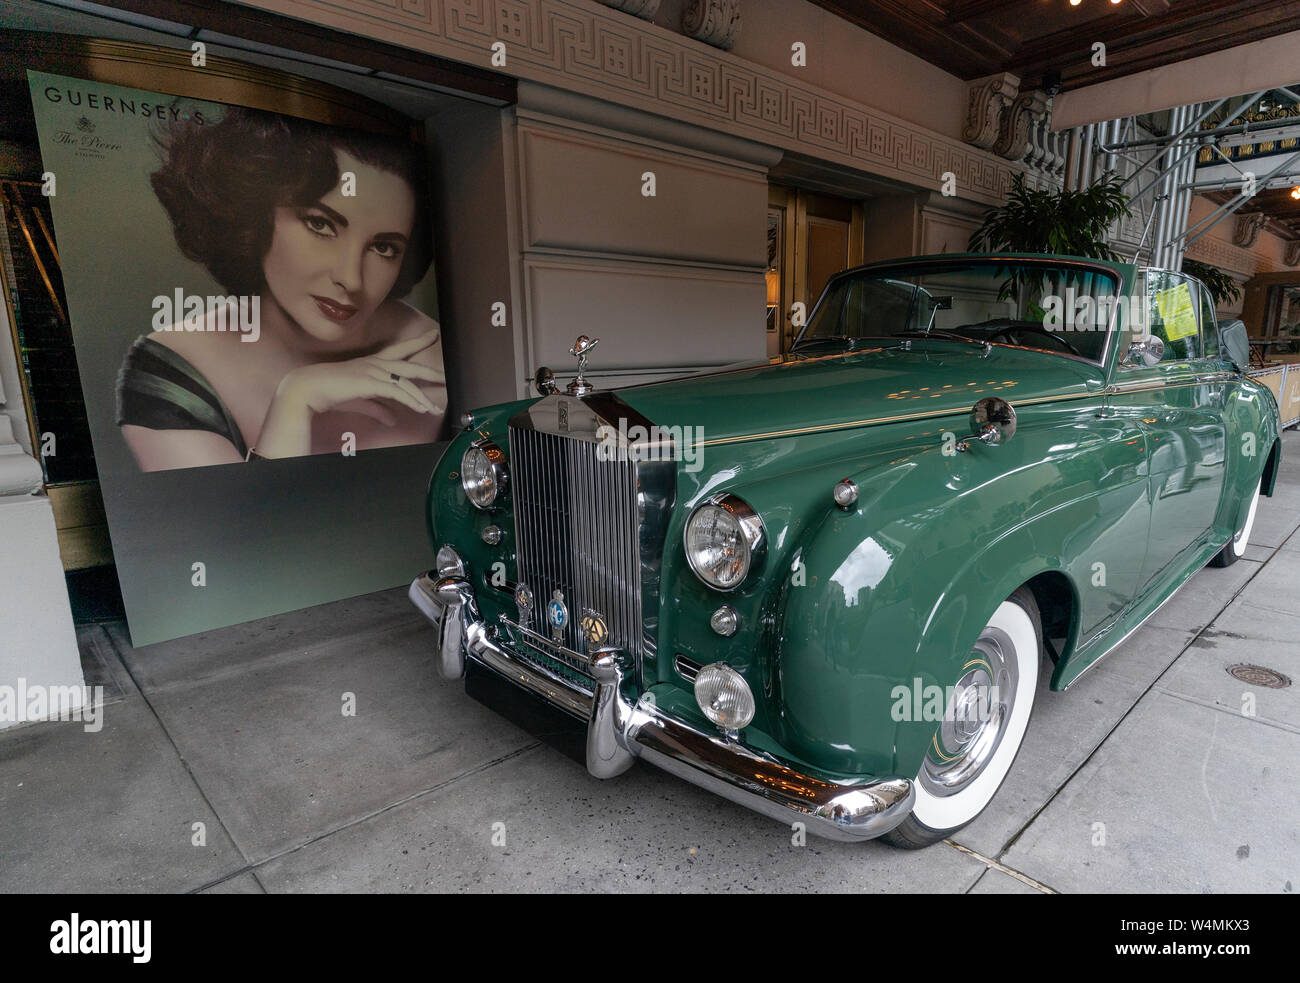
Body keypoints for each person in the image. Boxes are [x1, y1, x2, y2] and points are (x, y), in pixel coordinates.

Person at [116, 105, 445, 471]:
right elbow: (233, 527)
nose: (351, 279)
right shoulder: (175, 373)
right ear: (254, 217)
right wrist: (293, 402)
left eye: (384, 248)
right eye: (321, 225)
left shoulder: (436, 361)